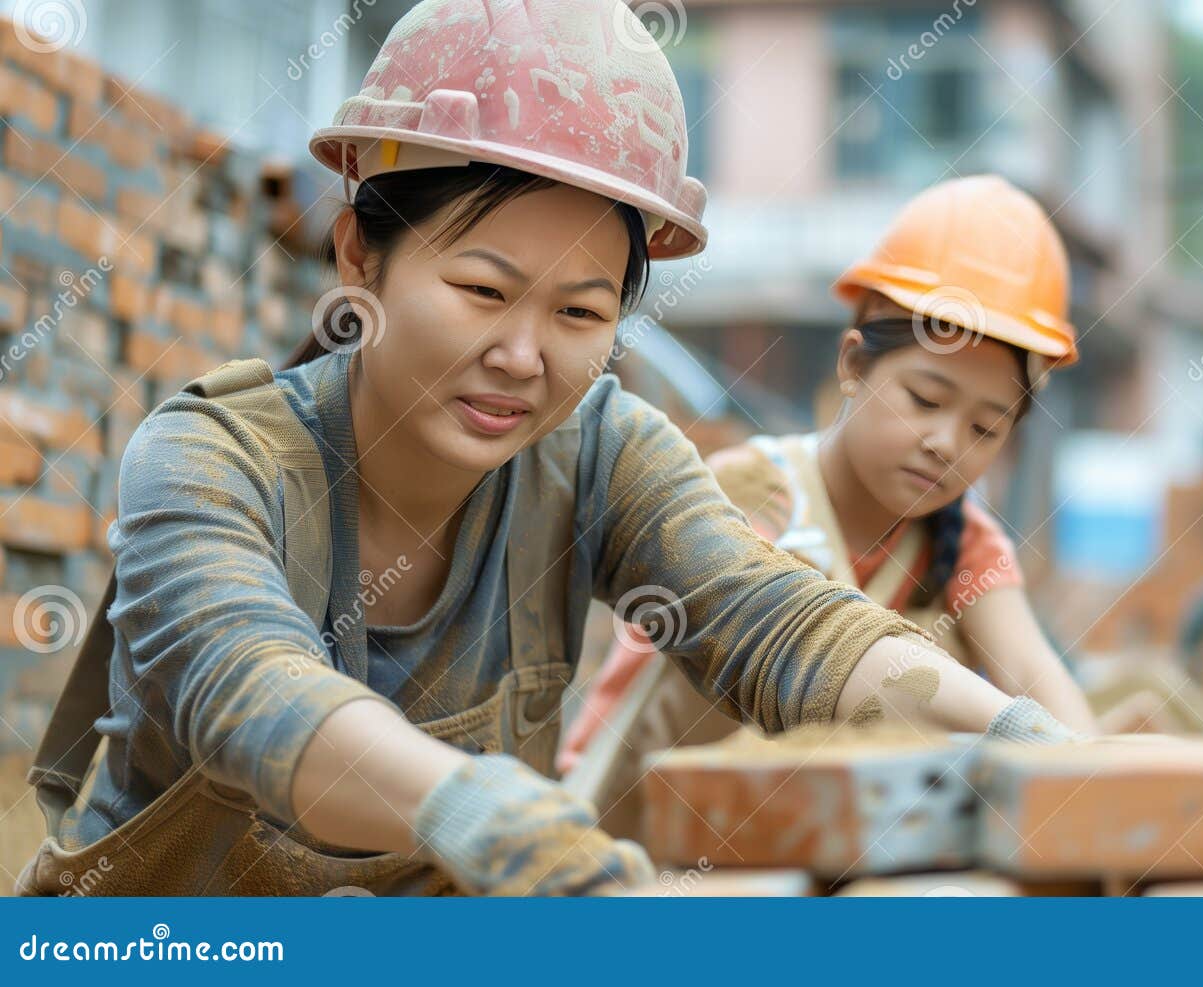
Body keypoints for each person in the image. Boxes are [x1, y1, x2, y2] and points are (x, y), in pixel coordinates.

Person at [15, 0, 1075, 898]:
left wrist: (1024, 738)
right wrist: (472, 811)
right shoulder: (207, 459)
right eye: (482, 289)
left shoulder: (600, 453)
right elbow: (250, 690)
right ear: (358, 257)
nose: (522, 356)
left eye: (579, 313)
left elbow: (776, 622)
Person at [561, 176, 1099, 837]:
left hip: (816, 843)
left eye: (985, 428)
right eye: (926, 400)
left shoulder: (964, 542)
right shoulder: (747, 492)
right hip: (638, 833)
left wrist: (1075, 761)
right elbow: (769, 632)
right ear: (853, 365)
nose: (946, 443)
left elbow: (1043, 689)